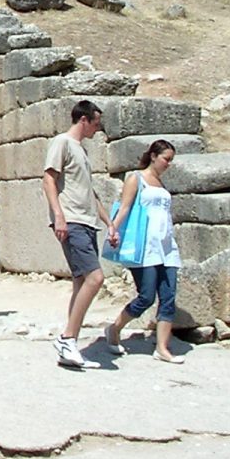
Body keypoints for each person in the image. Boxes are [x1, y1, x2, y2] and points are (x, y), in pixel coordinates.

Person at [43, 99, 118, 370]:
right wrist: (59, 216)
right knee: (95, 277)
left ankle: (70, 343)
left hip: (86, 222)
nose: (98, 130)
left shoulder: (82, 151)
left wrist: (108, 222)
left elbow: (89, 192)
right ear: (84, 120)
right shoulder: (62, 143)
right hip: (71, 220)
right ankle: (67, 338)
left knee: (80, 281)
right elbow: (49, 179)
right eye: (96, 124)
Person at [103, 140, 186, 364]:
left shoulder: (161, 183)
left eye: (171, 160)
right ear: (153, 156)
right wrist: (113, 230)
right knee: (146, 296)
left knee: (168, 298)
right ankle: (114, 329)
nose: (169, 164)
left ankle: (162, 348)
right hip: (145, 247)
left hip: (166, 246)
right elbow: (125, 207)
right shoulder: (136, 179)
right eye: (166, 159)